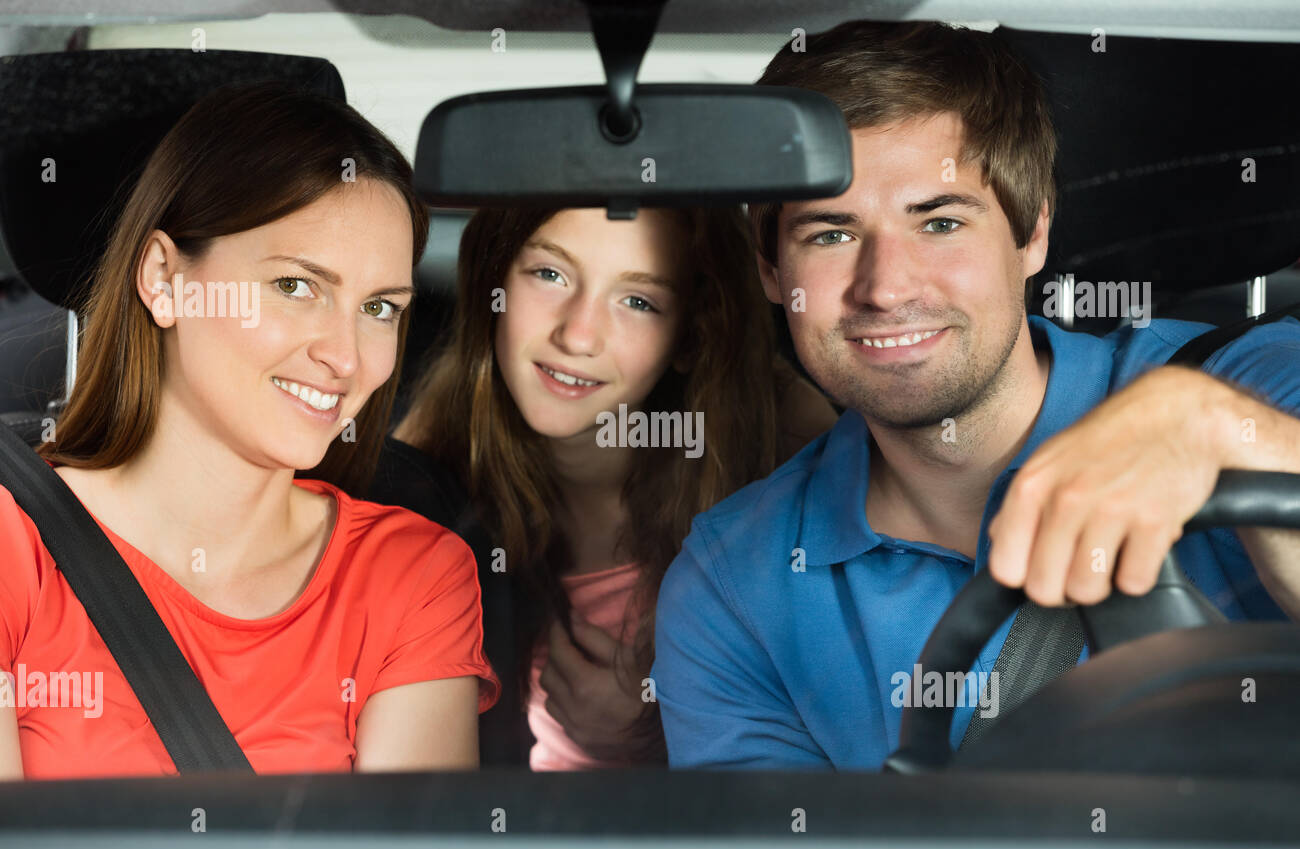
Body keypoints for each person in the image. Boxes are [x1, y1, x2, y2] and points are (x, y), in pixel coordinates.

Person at [651, 20, 1300, 769]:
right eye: (831, 234)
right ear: (771, 271)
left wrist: (1220, 431)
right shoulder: (734, 587)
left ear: (1033, 236)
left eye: (941, 221)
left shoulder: (1253, 383)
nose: (886, 287)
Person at [0, 83, 500, 780]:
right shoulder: (12, 548)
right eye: (296, 287)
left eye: (380, 308)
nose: (347, 357)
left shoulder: (410, 576)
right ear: (164, 279)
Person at [370, 205, 837, 769]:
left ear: (689, 337)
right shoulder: (435, 451)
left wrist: (656, 734)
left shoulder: (783, 448)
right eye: (550, 275)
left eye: (638, 302)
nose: (578, 335)